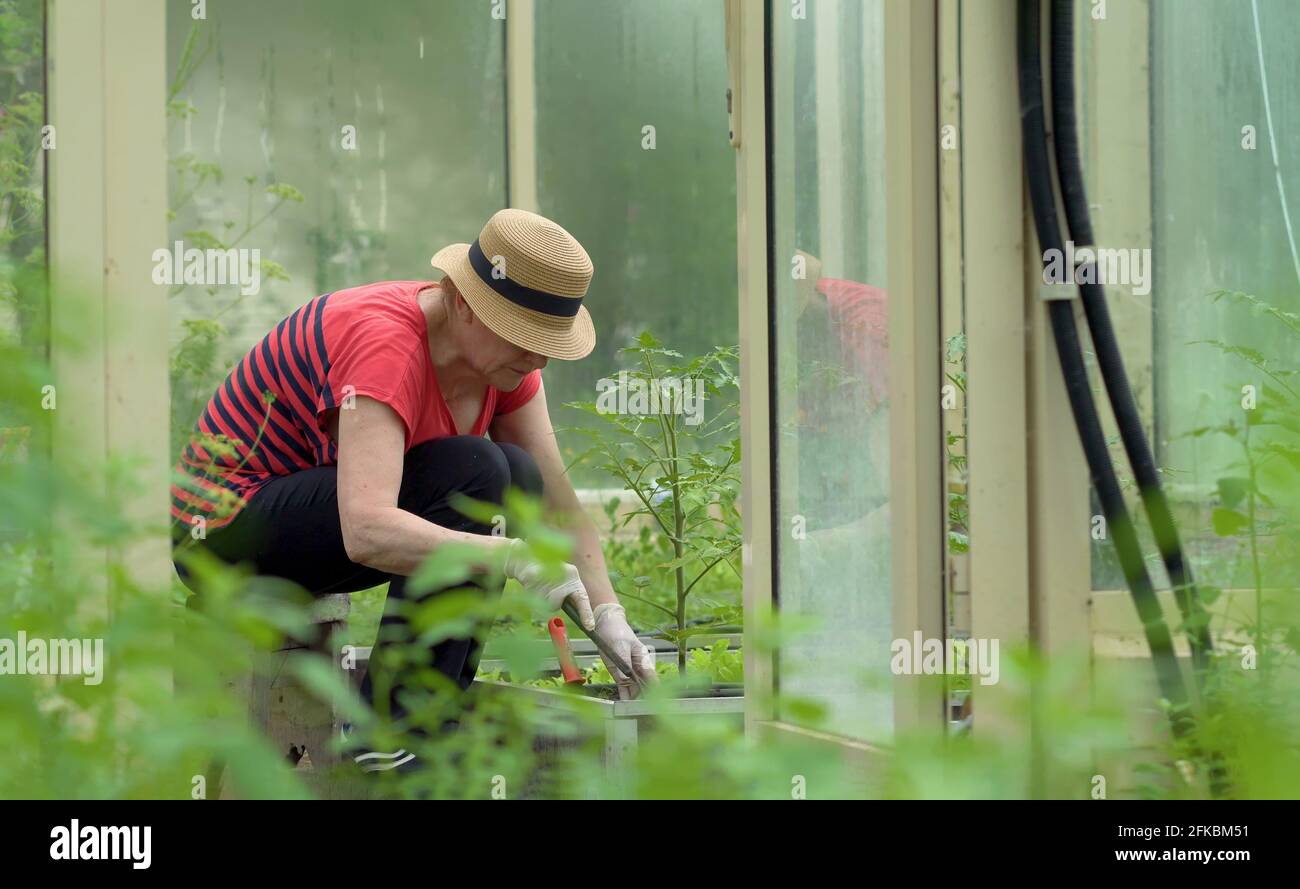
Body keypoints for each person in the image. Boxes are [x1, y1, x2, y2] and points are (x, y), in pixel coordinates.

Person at [170, 208, 658, 770]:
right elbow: (367, 531)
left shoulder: (508, 369)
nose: (538, 356)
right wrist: (513, 557)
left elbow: (557, 507)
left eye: (547, 341)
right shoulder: (386, 345)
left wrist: (609, 614)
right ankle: (392, 727)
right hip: (222, 532)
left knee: (516, 475)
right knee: (476, 468)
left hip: (313, 525)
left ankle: (423, 718)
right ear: (464, 304)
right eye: (524, 337)